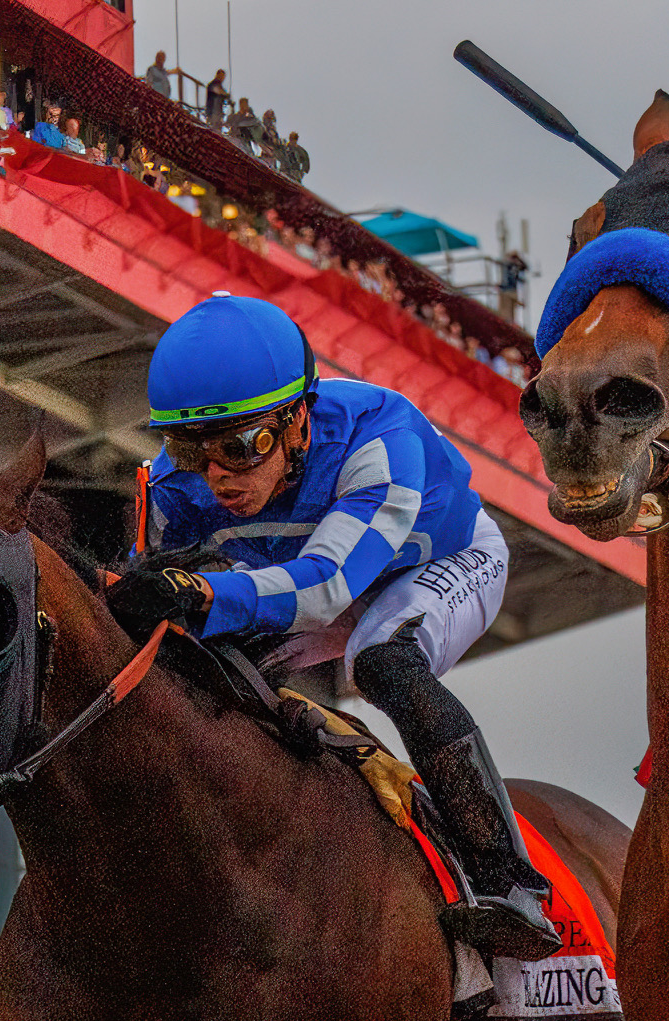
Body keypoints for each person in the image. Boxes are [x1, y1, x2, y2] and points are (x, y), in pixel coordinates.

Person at [121, 291, 560, 958]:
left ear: (299, 419)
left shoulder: (380, 441)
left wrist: (201, 591)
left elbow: (327, 589)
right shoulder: (170, 488)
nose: (217, 478)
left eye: (243, 446)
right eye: (189, 449)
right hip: (306, 584)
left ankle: (509, 881)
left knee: (381, 657)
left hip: (435, 565)